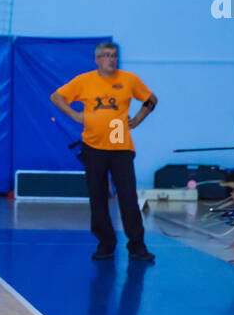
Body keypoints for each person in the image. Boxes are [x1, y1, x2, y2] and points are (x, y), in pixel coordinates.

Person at [50, 42, 157, 262]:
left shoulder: (129, 80)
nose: (111, 59)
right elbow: (56, 97)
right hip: (93, 148)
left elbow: (151, 100)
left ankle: (137, 246)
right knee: (98, 198)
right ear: (97, 59)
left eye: (115, 55)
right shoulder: (84, 81)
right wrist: (75, 115)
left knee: (128, 197)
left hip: (121, 149)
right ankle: (105, 244)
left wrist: (136, 119)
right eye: (107, 55)